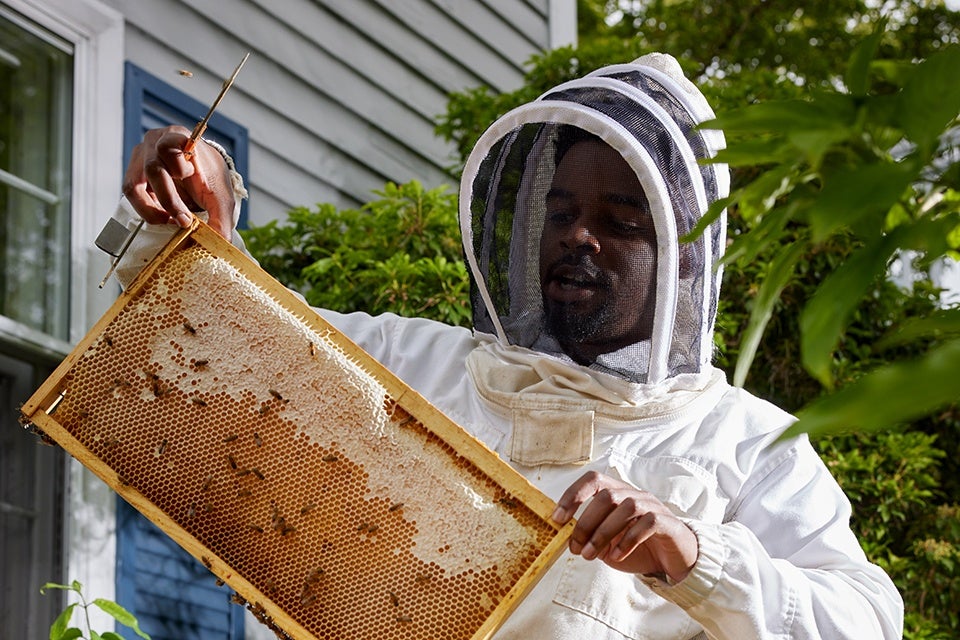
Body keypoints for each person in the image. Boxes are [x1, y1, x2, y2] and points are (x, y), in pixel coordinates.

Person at [111, 52, 903, 639]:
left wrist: (693, 553)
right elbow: (216, 339)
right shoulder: (416, 364)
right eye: (561, 214)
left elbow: (866, 622)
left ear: (684, 256)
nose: (580, 237)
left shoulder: (748, 443)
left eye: (620, 220)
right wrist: (187, 206)